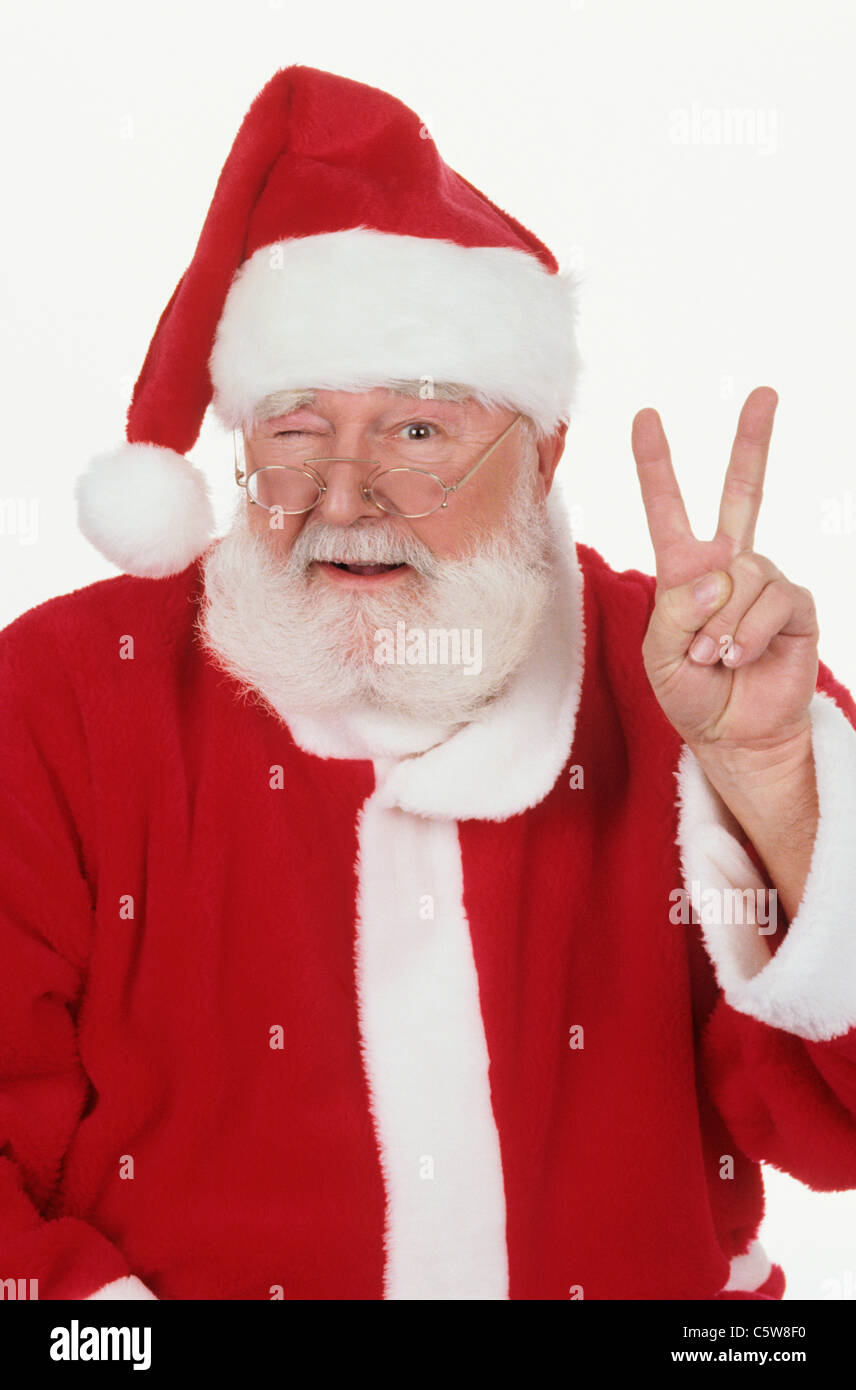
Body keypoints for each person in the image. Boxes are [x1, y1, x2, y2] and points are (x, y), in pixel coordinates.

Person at [1, 64, 854, 1303]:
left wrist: (773, 782)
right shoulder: (59, 699)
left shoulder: (690, 679)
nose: (345, 498)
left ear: (545, 448)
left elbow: (836, 1127)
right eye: (295, 429)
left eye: (417, 431)